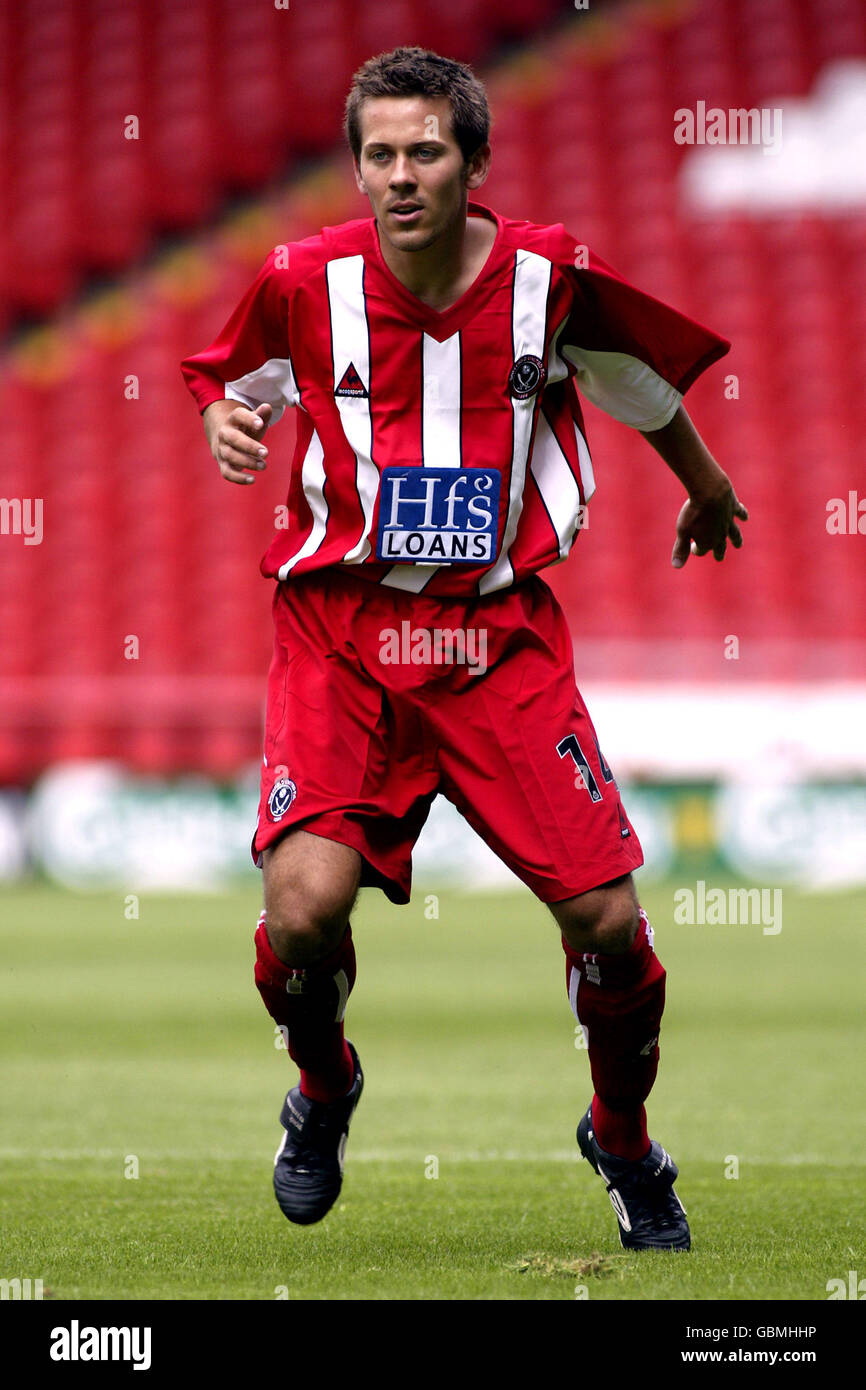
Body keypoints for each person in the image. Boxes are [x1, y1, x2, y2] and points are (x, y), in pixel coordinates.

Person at [181, 46, 747, 1251]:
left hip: (493, 642)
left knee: (604, 922)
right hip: (340, 636)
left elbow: (640, 383)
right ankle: (323, 1089)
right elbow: (236, 383)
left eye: (423, 151)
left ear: (473, 162)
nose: (398, 176)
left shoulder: (548, 278)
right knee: (299, 910)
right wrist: (227, 420)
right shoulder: (301, 281)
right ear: (356, 168)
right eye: (377, 155)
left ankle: (623, 1137)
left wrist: (703, 487)